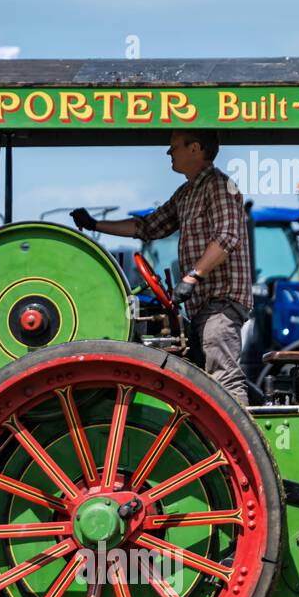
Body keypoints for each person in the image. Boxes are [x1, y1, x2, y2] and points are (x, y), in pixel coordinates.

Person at [72, 130, 252, 405]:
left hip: (221, 304)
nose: (169, 153)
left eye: (174, 147)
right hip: (203, 307)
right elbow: (148, 226)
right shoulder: (187, 193)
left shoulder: (220, 186)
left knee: (224, 380)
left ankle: (245, 445)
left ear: (195, 149)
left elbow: (227, 237)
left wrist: (193, 276)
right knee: (208, 385)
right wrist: (95, 224)